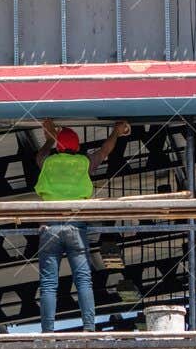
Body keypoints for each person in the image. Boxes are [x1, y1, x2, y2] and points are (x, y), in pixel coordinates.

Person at [33, 118, 130, 332]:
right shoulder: (84, 162)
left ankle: (48, 331)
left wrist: (50, 138)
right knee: (83, 280)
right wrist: (116, 131)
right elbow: (105, 151)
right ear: (77, 147)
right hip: (76, 227)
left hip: (49, 227)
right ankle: (89, 326)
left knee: (49, 284)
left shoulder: (47, 162)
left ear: (58, 147)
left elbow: (40, 154)